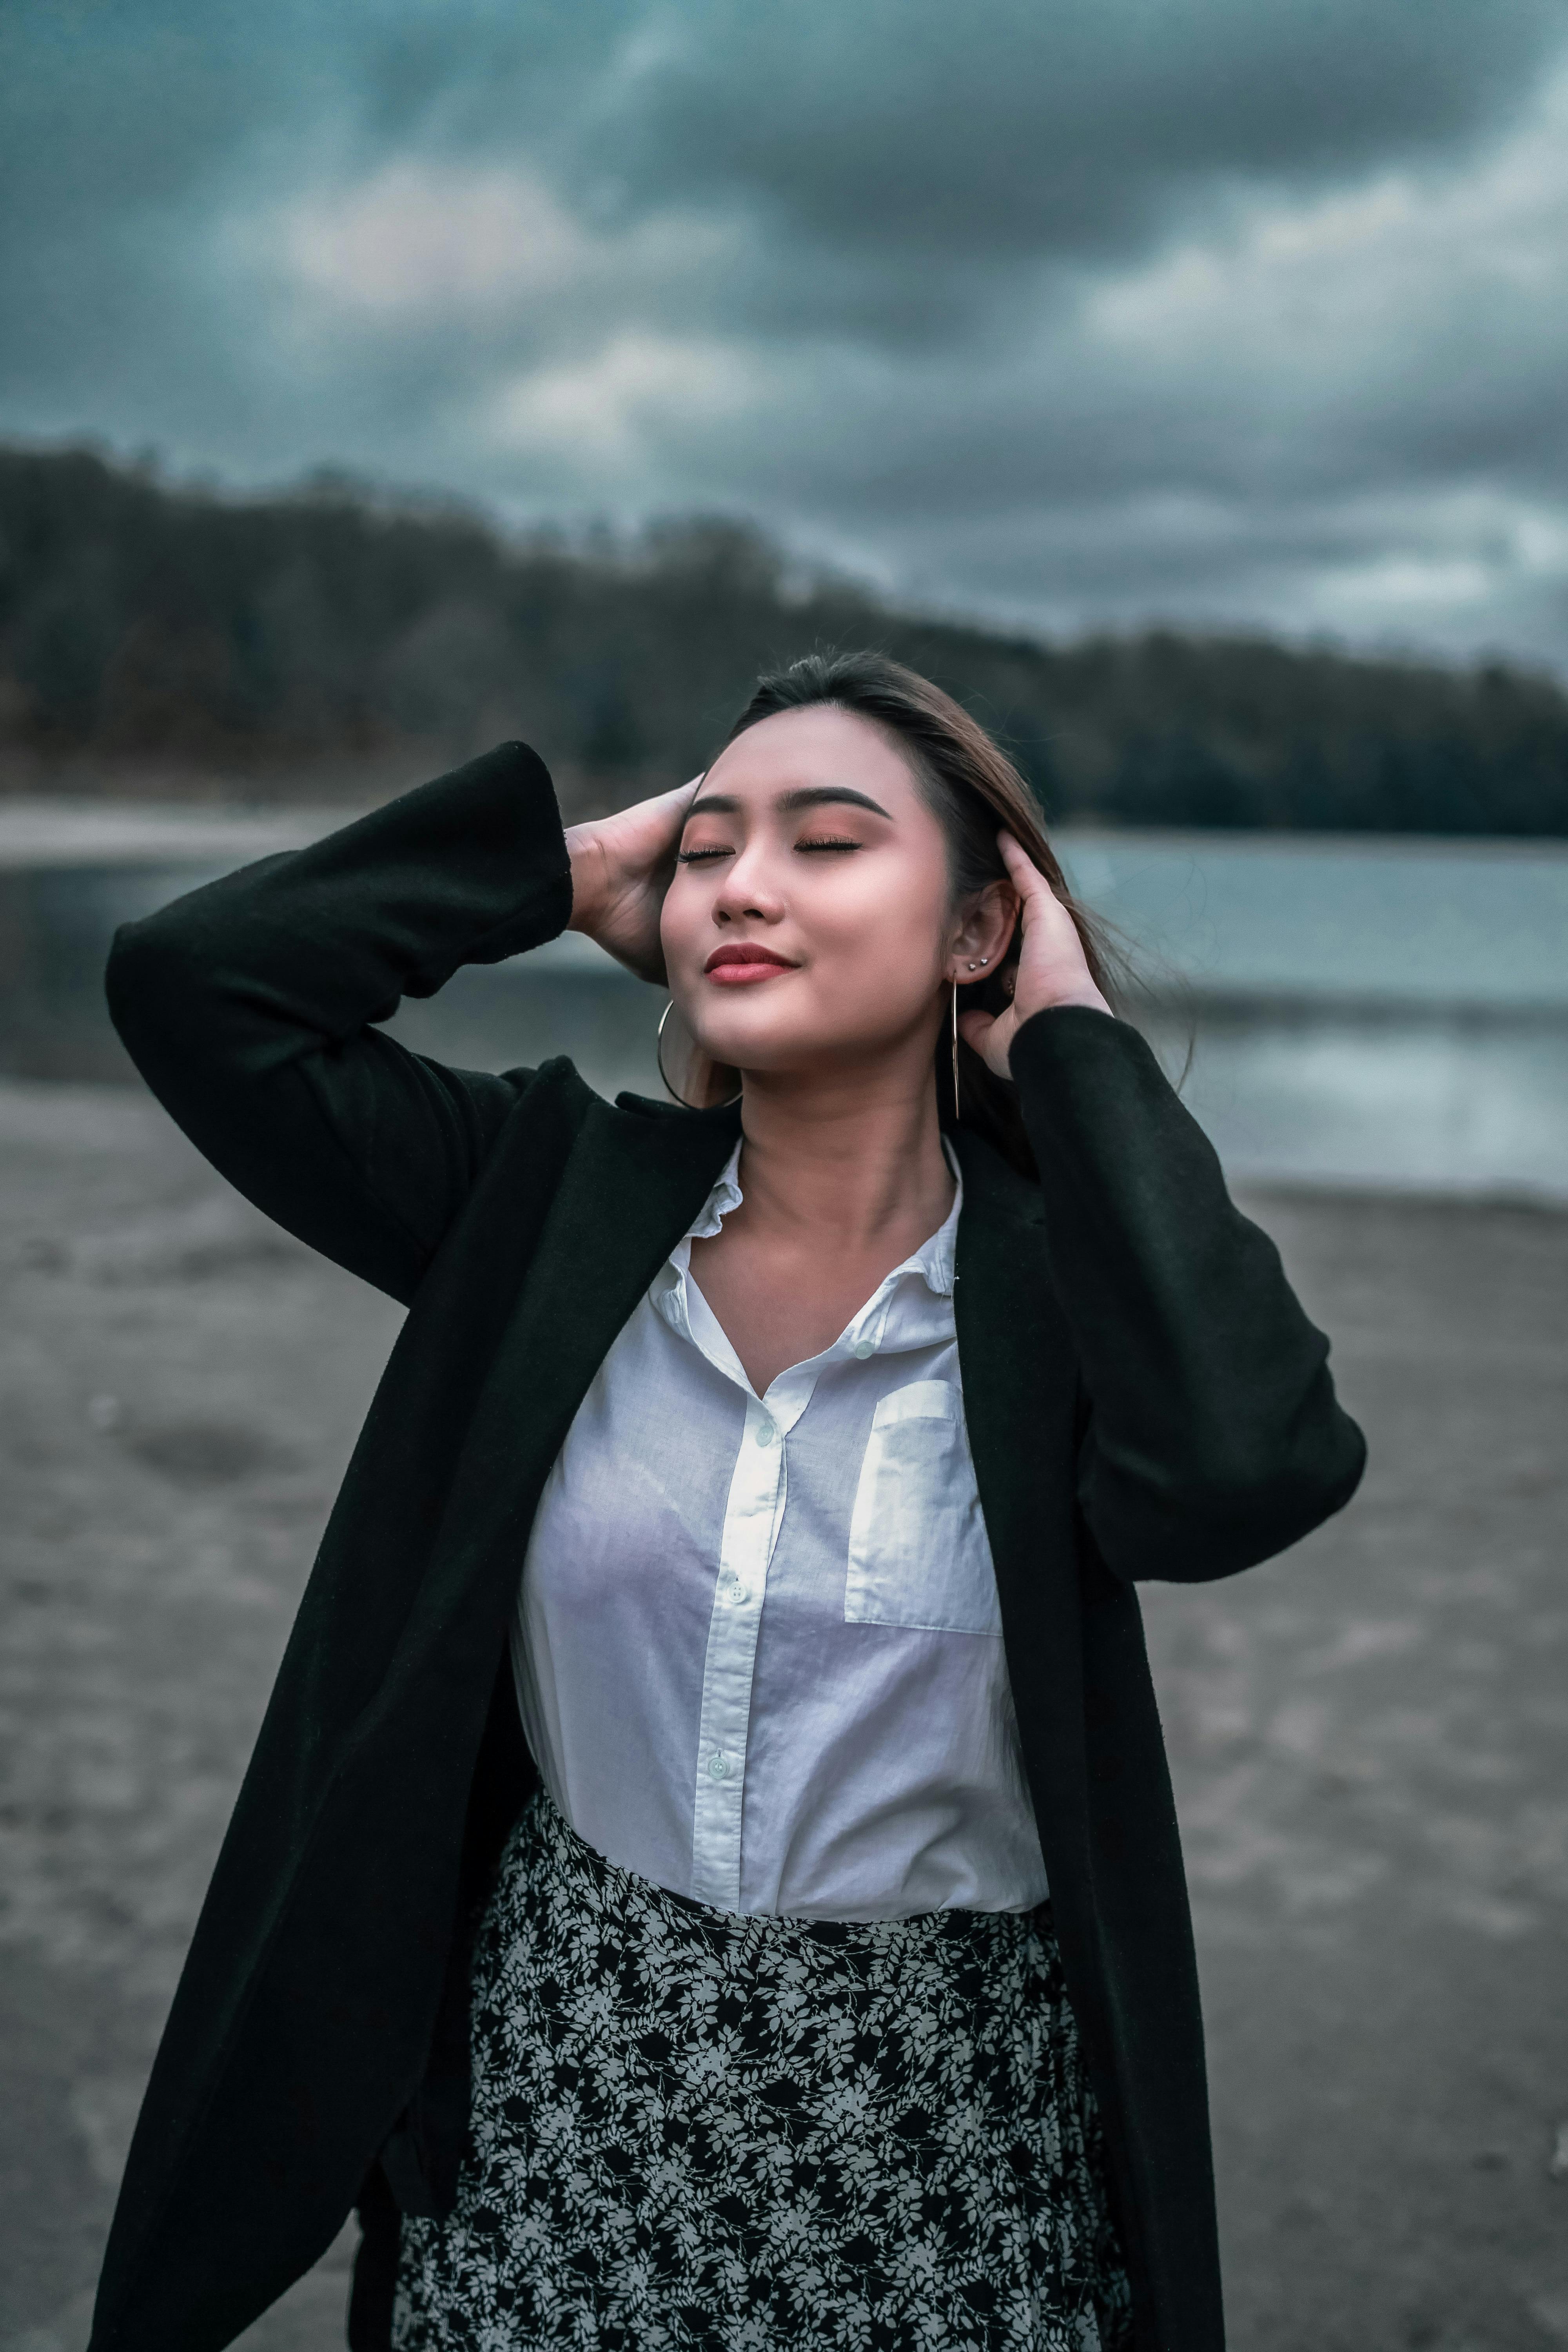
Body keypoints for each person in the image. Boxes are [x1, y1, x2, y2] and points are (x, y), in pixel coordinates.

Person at [90, 652, 1365, 2352]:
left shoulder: (1065, 1300)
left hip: (944, 2155)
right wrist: (569, 870)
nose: (745, 884)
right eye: (711, 850)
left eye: (827, 843)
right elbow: (194, 986)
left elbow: (1246, 1469)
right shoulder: (534, 1207)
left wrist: (1067, 1039)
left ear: (976, 929)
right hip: (557, 2107)